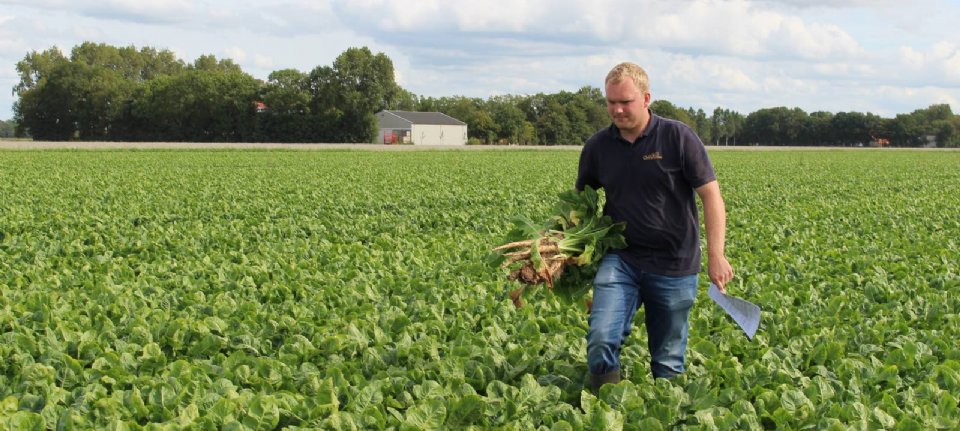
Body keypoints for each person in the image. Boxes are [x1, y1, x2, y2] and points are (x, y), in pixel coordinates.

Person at [576, 62, 734, 389]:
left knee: (668, 359)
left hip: (675, 263)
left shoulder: (678, 137)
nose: (617, 110)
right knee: (601, 338)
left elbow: (712, 197)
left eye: (625, 102)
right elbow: (581, 206)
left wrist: (716, 254)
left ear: (646, 98)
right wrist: (564, 252)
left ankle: (667, 413)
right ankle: (605, 410)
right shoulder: (597, 147)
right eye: (610, 102)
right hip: (621, 259)